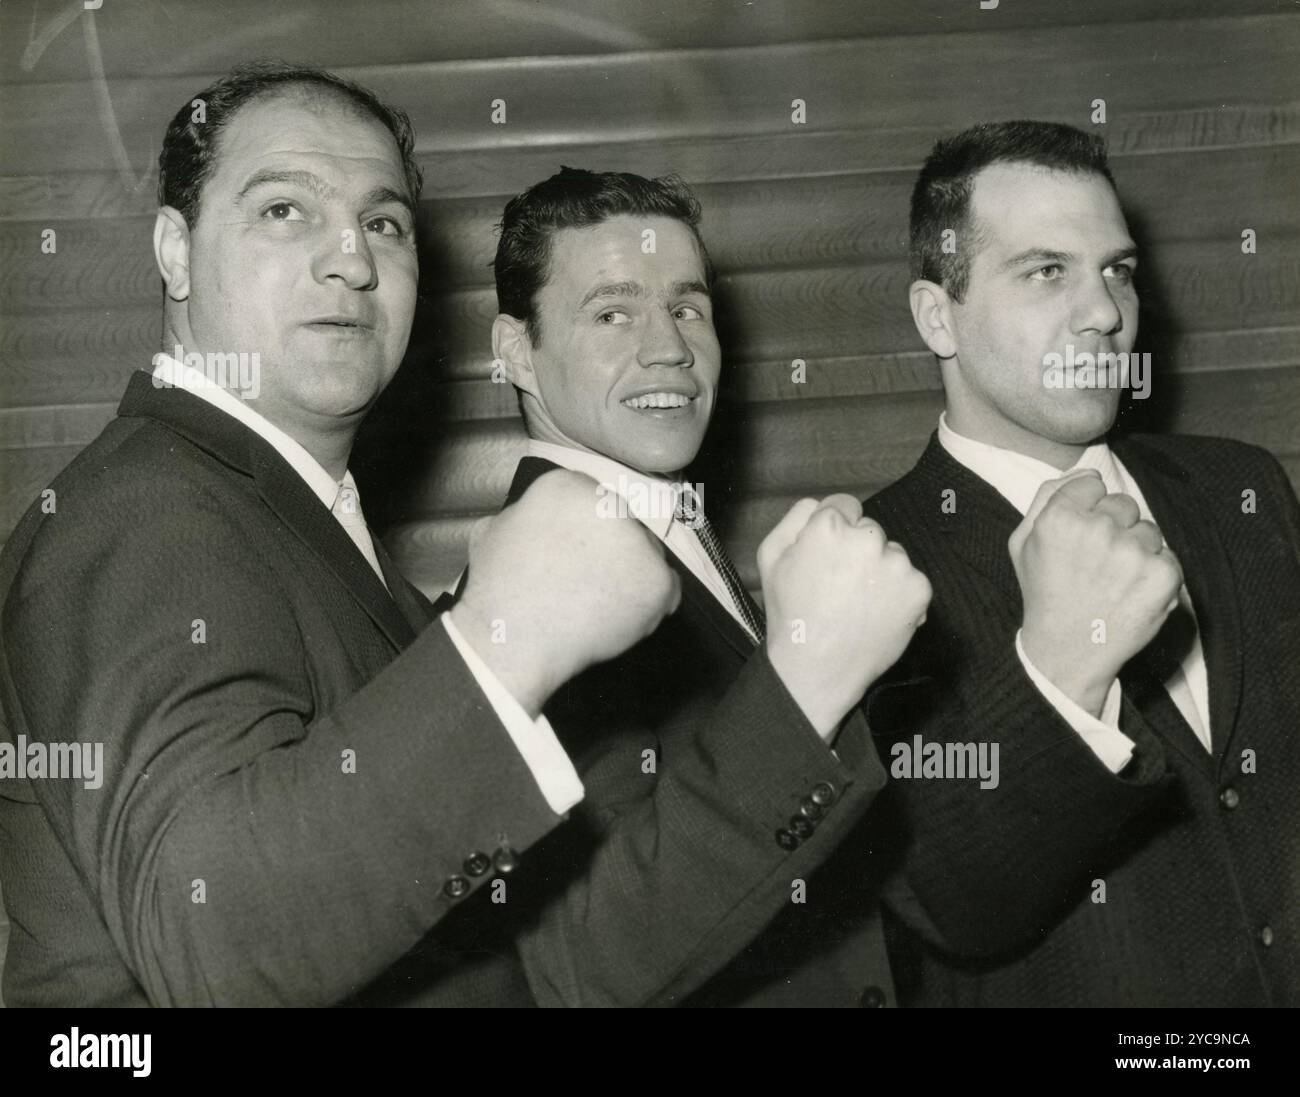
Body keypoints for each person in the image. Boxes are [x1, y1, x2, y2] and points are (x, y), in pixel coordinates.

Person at [0, 63, 853, 1009]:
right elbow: (212, 943)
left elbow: (553, 961)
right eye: (286, 210)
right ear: (175, 250)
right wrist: (501, 642)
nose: (352, 260)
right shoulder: (144, 509)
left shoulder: (316, 538)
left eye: (383, 223)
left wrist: (801, 699)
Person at [848, 120, 1298, 1006]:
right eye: (1047, 271)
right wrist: (1058, 676)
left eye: (1117, 270)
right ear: (938, 313)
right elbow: (948, 898)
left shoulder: (1241, 487)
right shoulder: (871, 565)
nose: (1104, 312)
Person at [458, 167, 931, 1006]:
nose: (668, 348)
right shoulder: (547, 584)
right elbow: (601, 948)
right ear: (515, 353)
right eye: (612, 313)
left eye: (686, 307)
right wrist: (808, 675)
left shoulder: (672, 531)